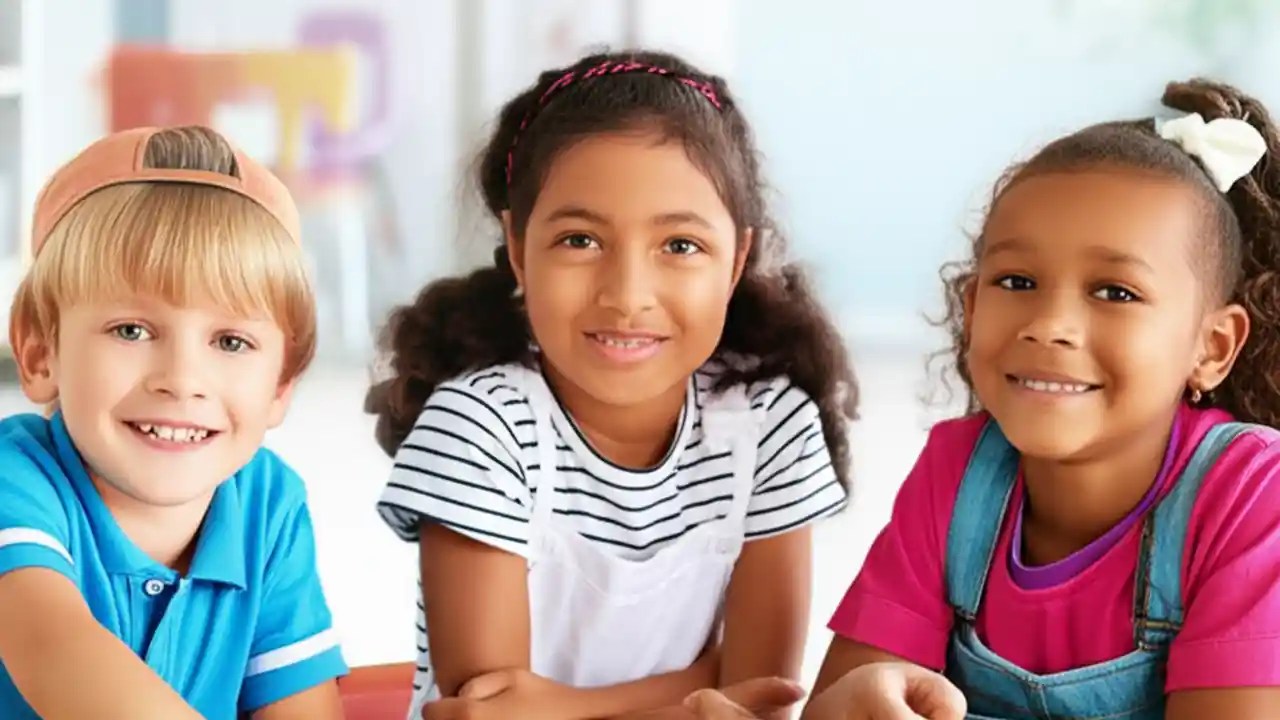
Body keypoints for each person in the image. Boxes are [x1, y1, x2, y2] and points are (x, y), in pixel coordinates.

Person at [367, 49, 857, 719]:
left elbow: (762, 699)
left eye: (680, 246)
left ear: (738, 257)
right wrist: (697, 692)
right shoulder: (480, 425)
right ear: (517, 245)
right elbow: (483, 711)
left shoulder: (769, 423)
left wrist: (557, 707)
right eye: (580, 240)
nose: (628, 295)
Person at [805, 79, 1280, 719]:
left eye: (1115, 292)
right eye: (1017, 281)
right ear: (972, 309)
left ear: (1213, 345)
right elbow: (844, 704)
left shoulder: (1252, 494)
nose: (1049, 323)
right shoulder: (957, 474)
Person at [0, 126, 346, 719]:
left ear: (281, 386)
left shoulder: (268, 505)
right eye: (131, 331)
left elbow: (303, 710)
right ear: (40, 354)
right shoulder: (17, 480)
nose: (182, 379)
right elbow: (51, 644)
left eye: (231, 341)